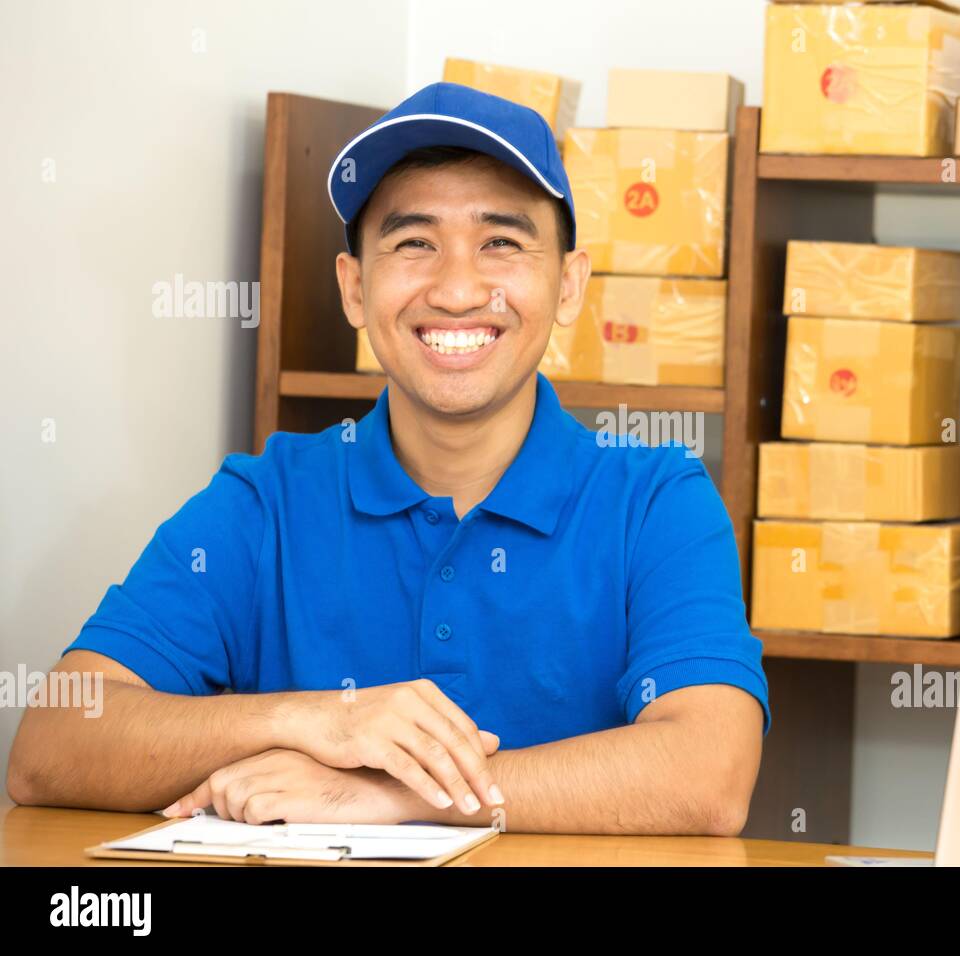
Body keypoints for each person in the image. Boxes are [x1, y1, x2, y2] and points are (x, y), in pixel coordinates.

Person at [6, 82, 770, 835]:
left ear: (569, 285)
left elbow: (710, 775)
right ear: (354, 288)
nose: (459, 290)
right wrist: (319, 720)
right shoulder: (264, 502)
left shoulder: (658, 502)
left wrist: (394, 796)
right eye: (414, 244)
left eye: (501, 243)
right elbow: (49, 749)